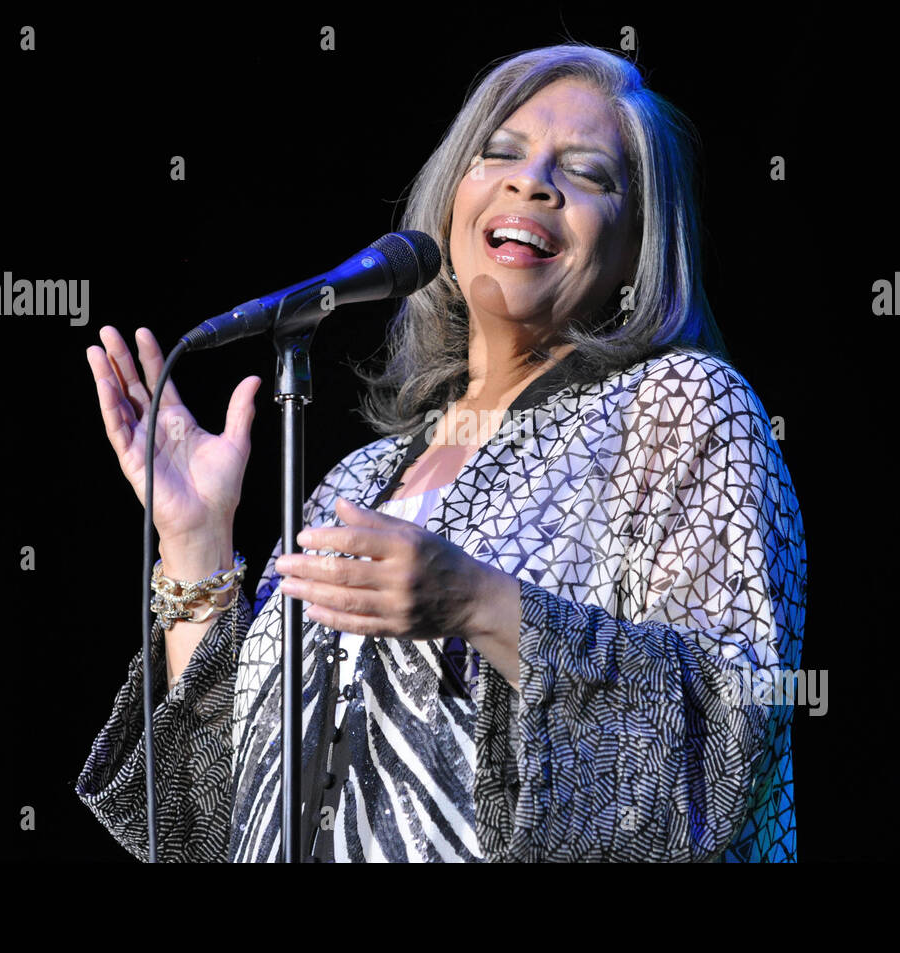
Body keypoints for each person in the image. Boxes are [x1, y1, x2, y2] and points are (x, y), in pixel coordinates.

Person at [75, 42, 806, 863]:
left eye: (588, 172)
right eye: (500, 153)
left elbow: (730, 742)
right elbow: (210, 831)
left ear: (639, 246)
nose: (532, 181)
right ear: (455, 200)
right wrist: (195, 540)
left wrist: (482, 604)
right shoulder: (357, 482)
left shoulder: (679, 410)